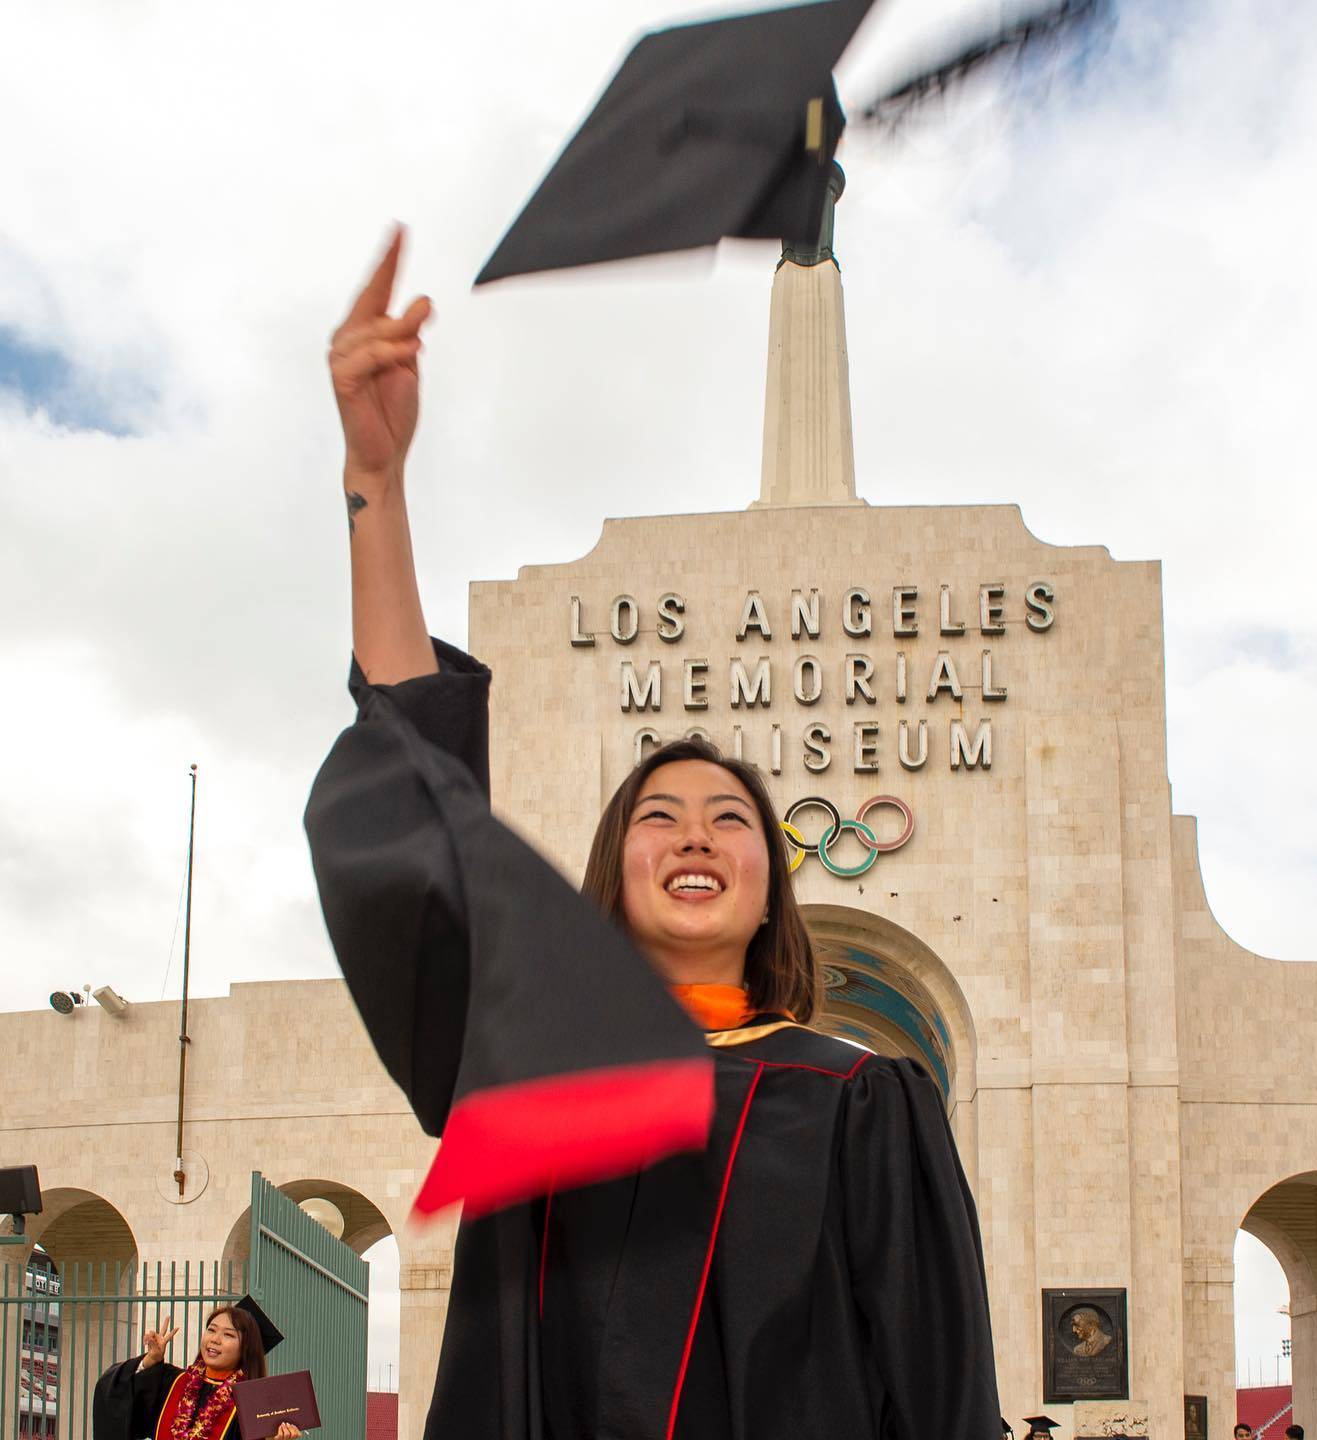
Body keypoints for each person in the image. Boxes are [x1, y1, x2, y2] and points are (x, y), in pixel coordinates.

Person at [305, 228, 1004, 1439]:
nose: (695, 836)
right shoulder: (530, 1077)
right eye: (659, 816)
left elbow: (944, 1405)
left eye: (731, 819)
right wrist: (378, 484)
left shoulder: (860, 1106)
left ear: (770, 886)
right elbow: (416, 801)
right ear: (610, 873)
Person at [92, 1302, 299, 1440]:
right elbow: (118, 1400)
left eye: (228, 1335)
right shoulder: (171, 1381)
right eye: (211, 1329)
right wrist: (152, 1359)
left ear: (246, 1348)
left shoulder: (253, 1404)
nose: (214, 1339)